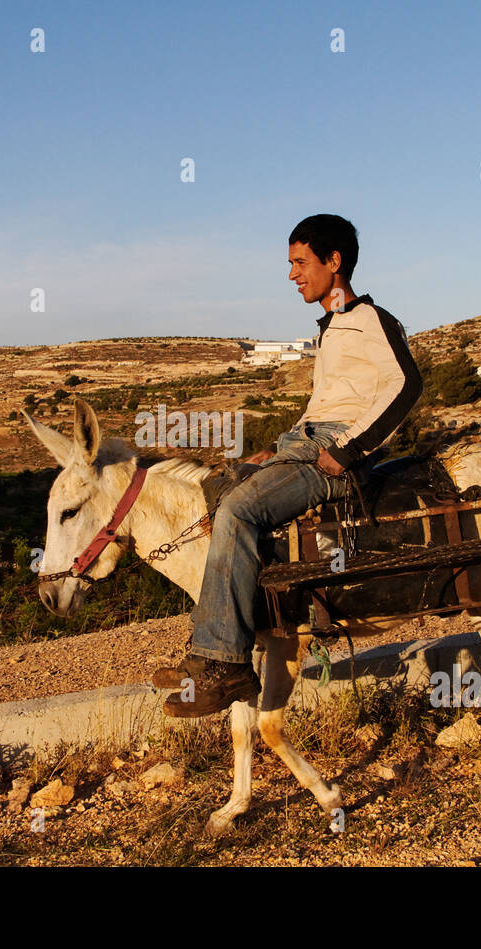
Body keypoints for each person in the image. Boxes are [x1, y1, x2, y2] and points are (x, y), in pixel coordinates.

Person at [156, 214, 424, 717]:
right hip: (303, 444)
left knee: (239, 511)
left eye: (300, 262)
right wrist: (271, 453)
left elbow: (406, 386)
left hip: (334, 458)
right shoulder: (333, 327)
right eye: (290, 264)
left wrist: (347, 451)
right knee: (220, 487)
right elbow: (327, 403)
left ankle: (224, 663)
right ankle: (244, 633)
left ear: (334, 261)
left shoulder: (370, 319)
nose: (292, 274)